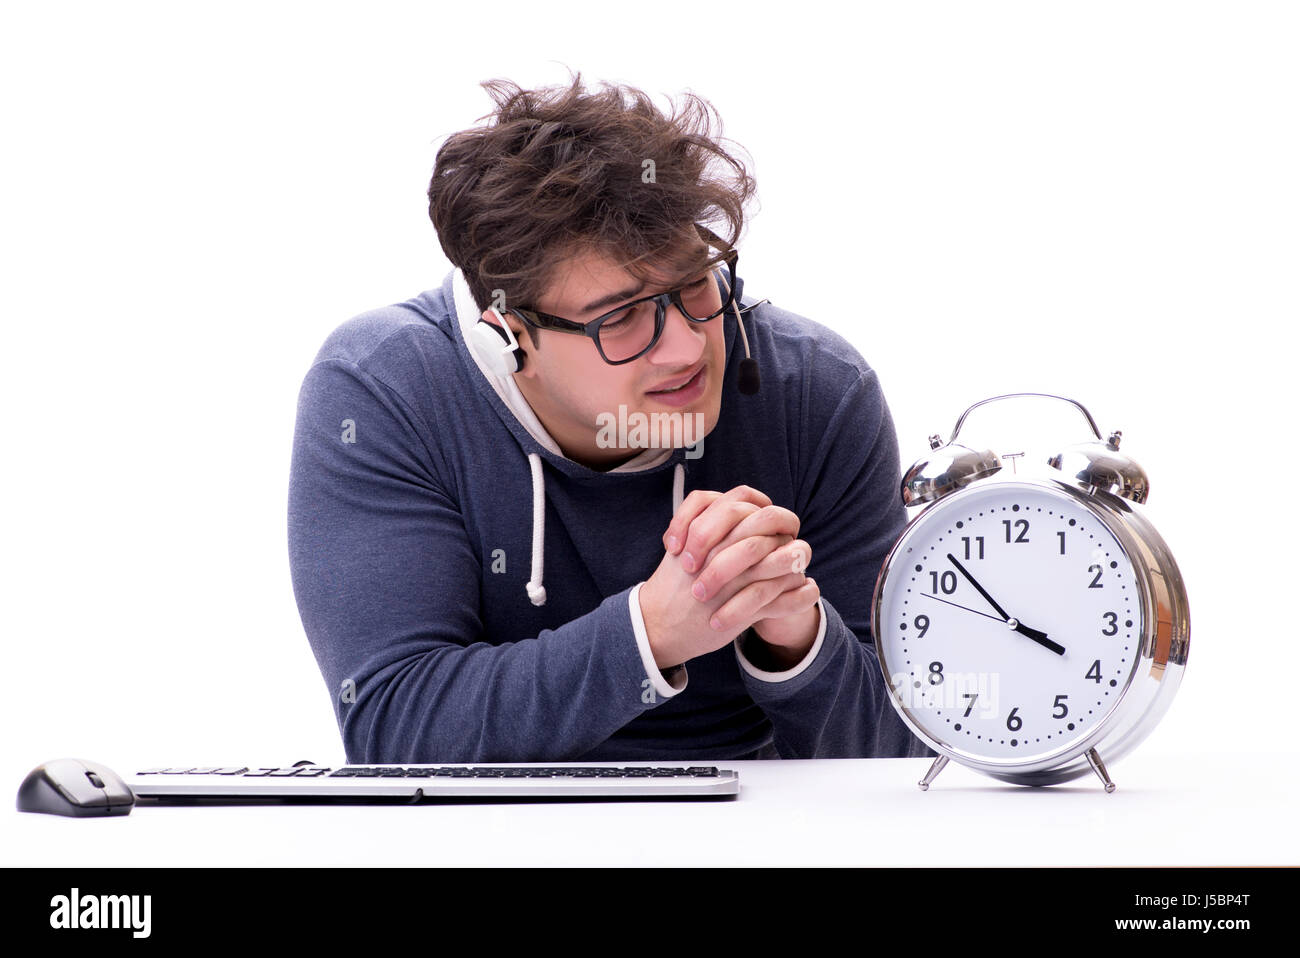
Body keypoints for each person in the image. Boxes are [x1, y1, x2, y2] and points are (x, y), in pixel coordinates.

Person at [287, 72, 932, 764]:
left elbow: (903, 752)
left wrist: (798, 638)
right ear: (505, 338)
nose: (688, 347)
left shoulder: (816, 392)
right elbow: (394, 728)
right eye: (622, 318)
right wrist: (651, 633)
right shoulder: (383, 391)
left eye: (694, 284)